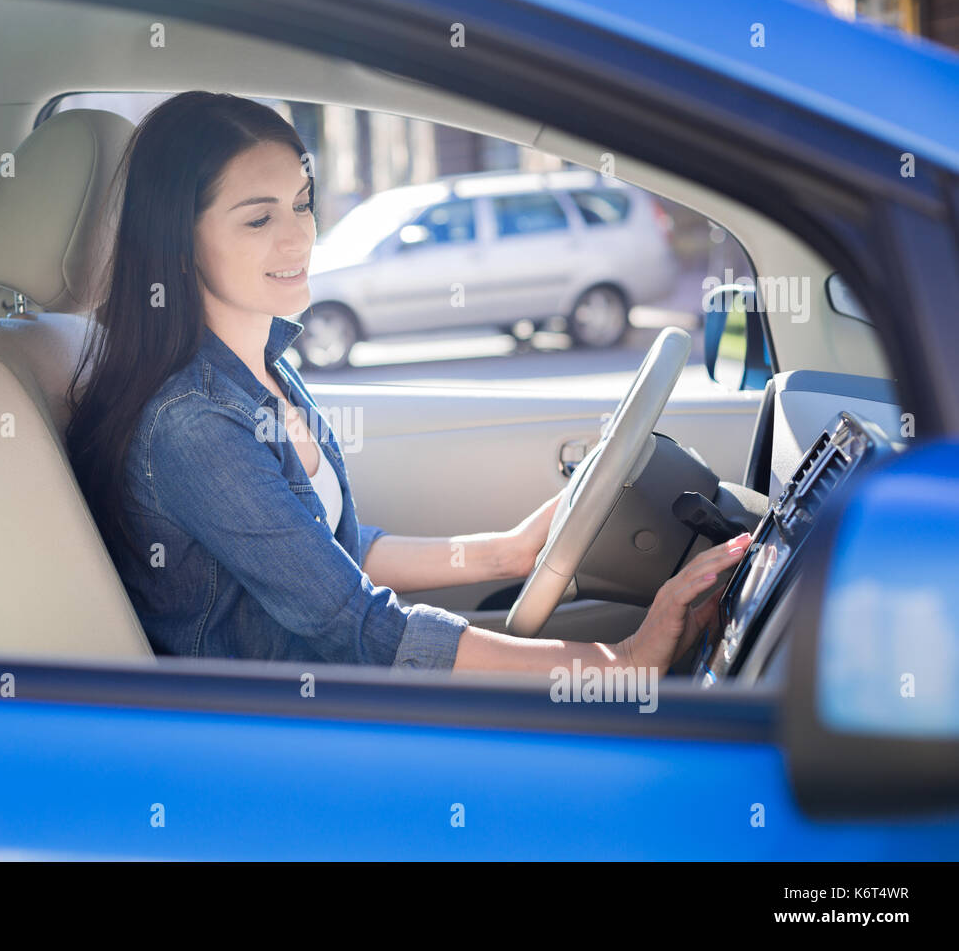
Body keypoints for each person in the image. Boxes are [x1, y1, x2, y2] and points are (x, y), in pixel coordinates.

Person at [65, 91, 751, 675]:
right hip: (285, 728)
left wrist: (507, 550)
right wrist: (618, 663)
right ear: (178, 244)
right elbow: (360, 626)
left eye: (302, 204)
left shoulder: (264, 362)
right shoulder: (195, 423)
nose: (298, 238)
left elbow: (329, 549)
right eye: (258, 218)